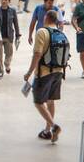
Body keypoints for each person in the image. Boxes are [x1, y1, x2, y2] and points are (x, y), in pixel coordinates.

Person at [23, 9, 67, 143]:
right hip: (58, 71)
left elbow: (37, 54)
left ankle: (53, 127)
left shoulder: (42, 32)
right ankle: (47, 131)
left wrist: (30, 72)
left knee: (38, 102)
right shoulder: (60, 32)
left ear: (46, 18)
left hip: (44, 73)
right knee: (50, 100)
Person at [0, 0, 20, 78]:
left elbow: (16, 24)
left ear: (9, 1)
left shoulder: (13, 11)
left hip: (9, 36)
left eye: (6, 0)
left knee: (9, 53)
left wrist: (18, 35)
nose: (4, 1)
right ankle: (0, 71)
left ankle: (7, 64)